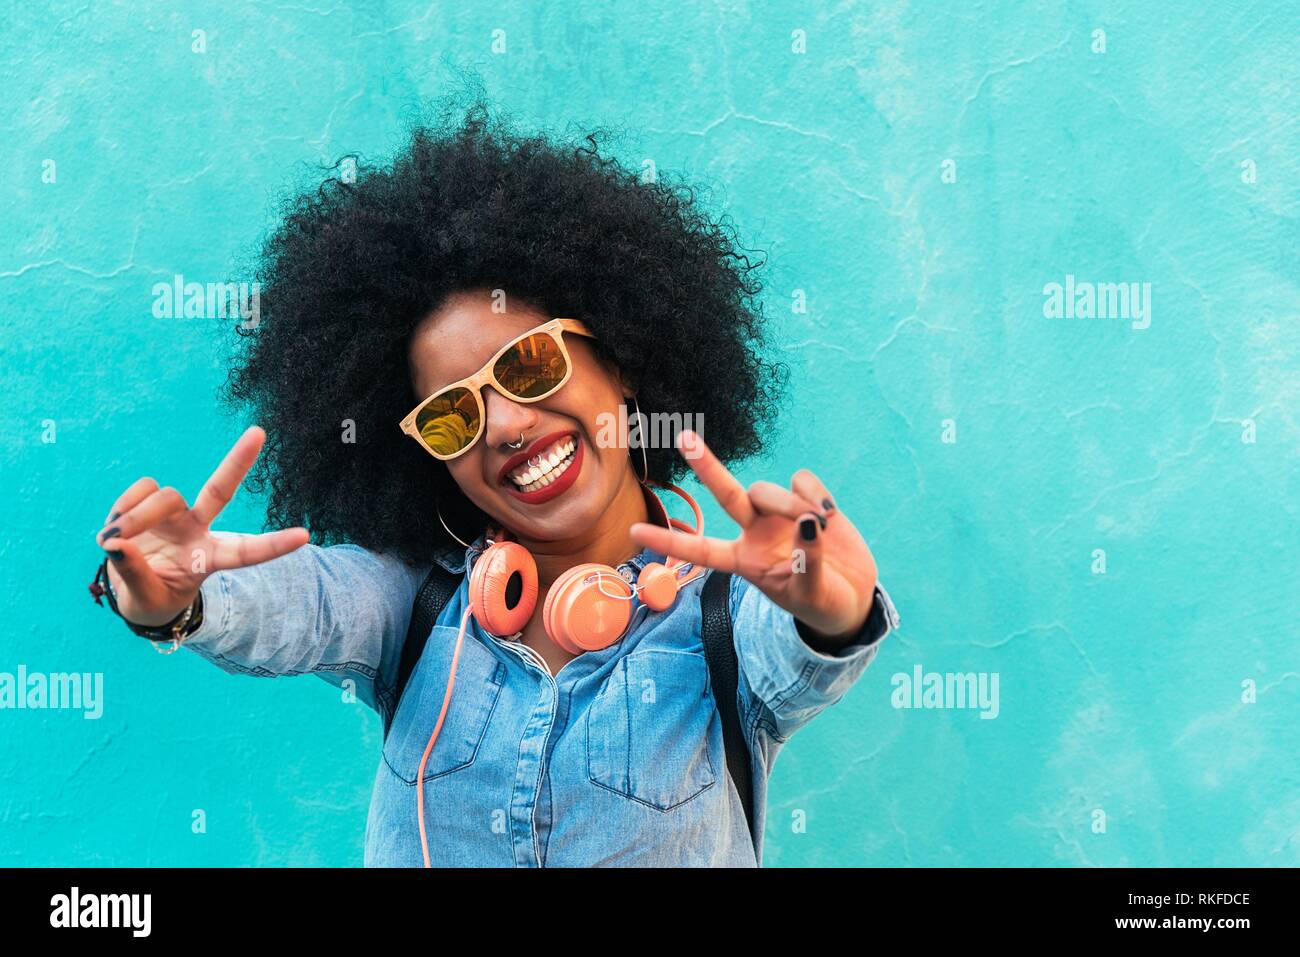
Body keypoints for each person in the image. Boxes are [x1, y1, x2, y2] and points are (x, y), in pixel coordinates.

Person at [89, 101, 899, 867]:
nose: (507, 425)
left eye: (529, 362)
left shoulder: (724, 623)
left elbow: (805, 642)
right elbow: (299, 602)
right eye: (451, 415)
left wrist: (828, 601)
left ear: (616, 359)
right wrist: (177, 596)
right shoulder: (411, 611)